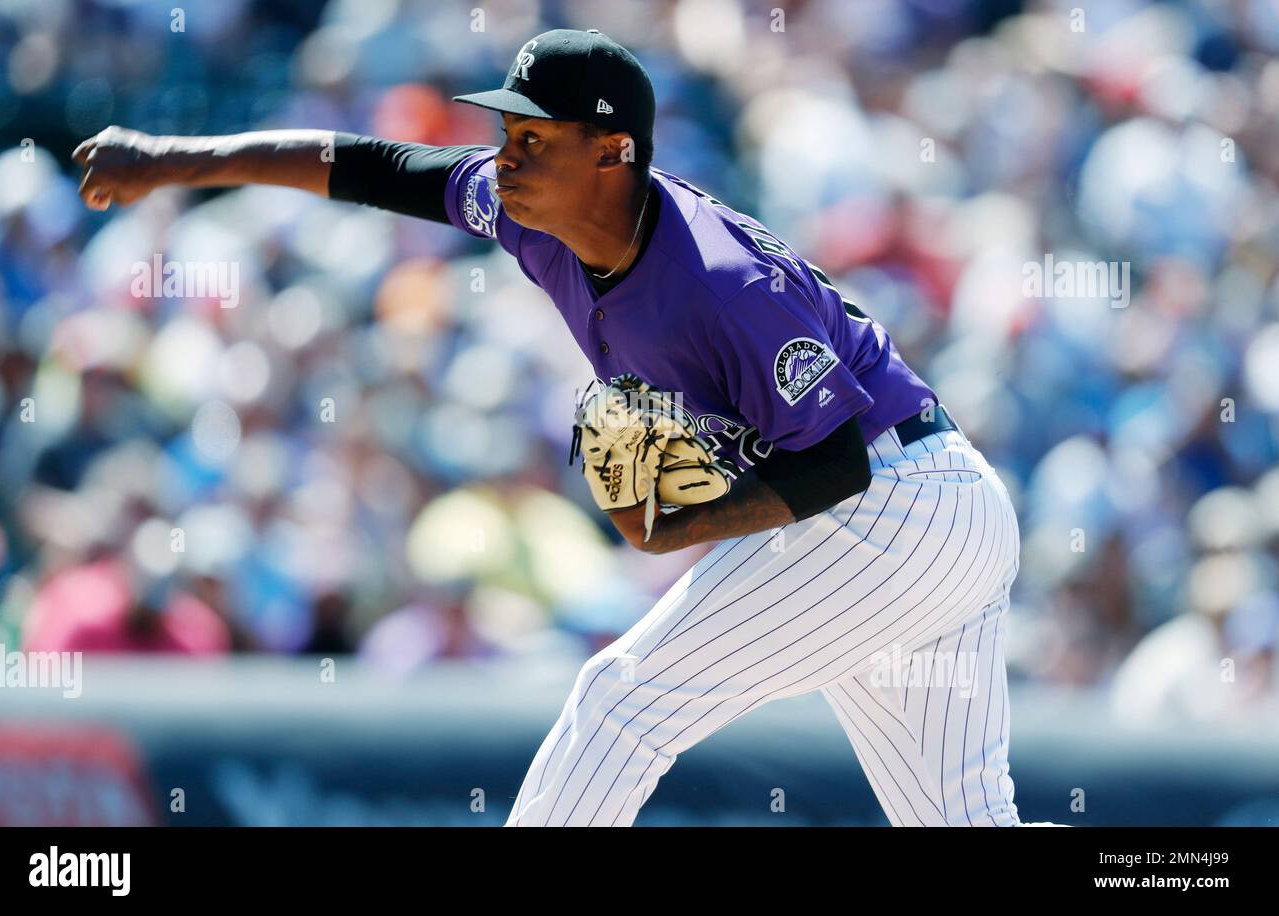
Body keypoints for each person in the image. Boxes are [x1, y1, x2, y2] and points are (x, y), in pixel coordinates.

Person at [74, 28, 1029, 827]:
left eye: (534, 138)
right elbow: (368, 165)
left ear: (613, 153)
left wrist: (689, 527)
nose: (506, 155)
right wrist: (173, 162)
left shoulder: (721, 283)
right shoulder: (528, 214)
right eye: (506, 131)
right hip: (939, 522)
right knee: (962, 817)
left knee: (623, 703)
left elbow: (836, 468)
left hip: (894, 506)